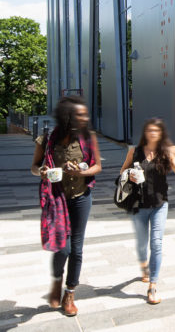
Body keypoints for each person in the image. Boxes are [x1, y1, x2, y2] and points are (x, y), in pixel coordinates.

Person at [31, 96, 102, 317]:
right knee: (63, 248)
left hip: (81, 198)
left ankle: (69, 293)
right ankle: (56, 280)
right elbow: (34, 166)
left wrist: (81, 172)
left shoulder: (88, 137)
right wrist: (41, 172)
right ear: (67, 116)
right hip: (56, 198)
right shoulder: (47, 139)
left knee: (77, 249)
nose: (85, 118)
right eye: (80, 114)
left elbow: (97, 166)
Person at [119, 117, 175, 304]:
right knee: (142, 243)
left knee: (156, 243)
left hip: (159, 204)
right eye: (149, 130)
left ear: (161, 133)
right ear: (145, 133)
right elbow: (122, 171)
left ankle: (153, 286)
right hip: (138, 205)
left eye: (156, 130)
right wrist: (129, 176)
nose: (153, 133)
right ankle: (144, 266)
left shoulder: (166, 153)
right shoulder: (134, 151)